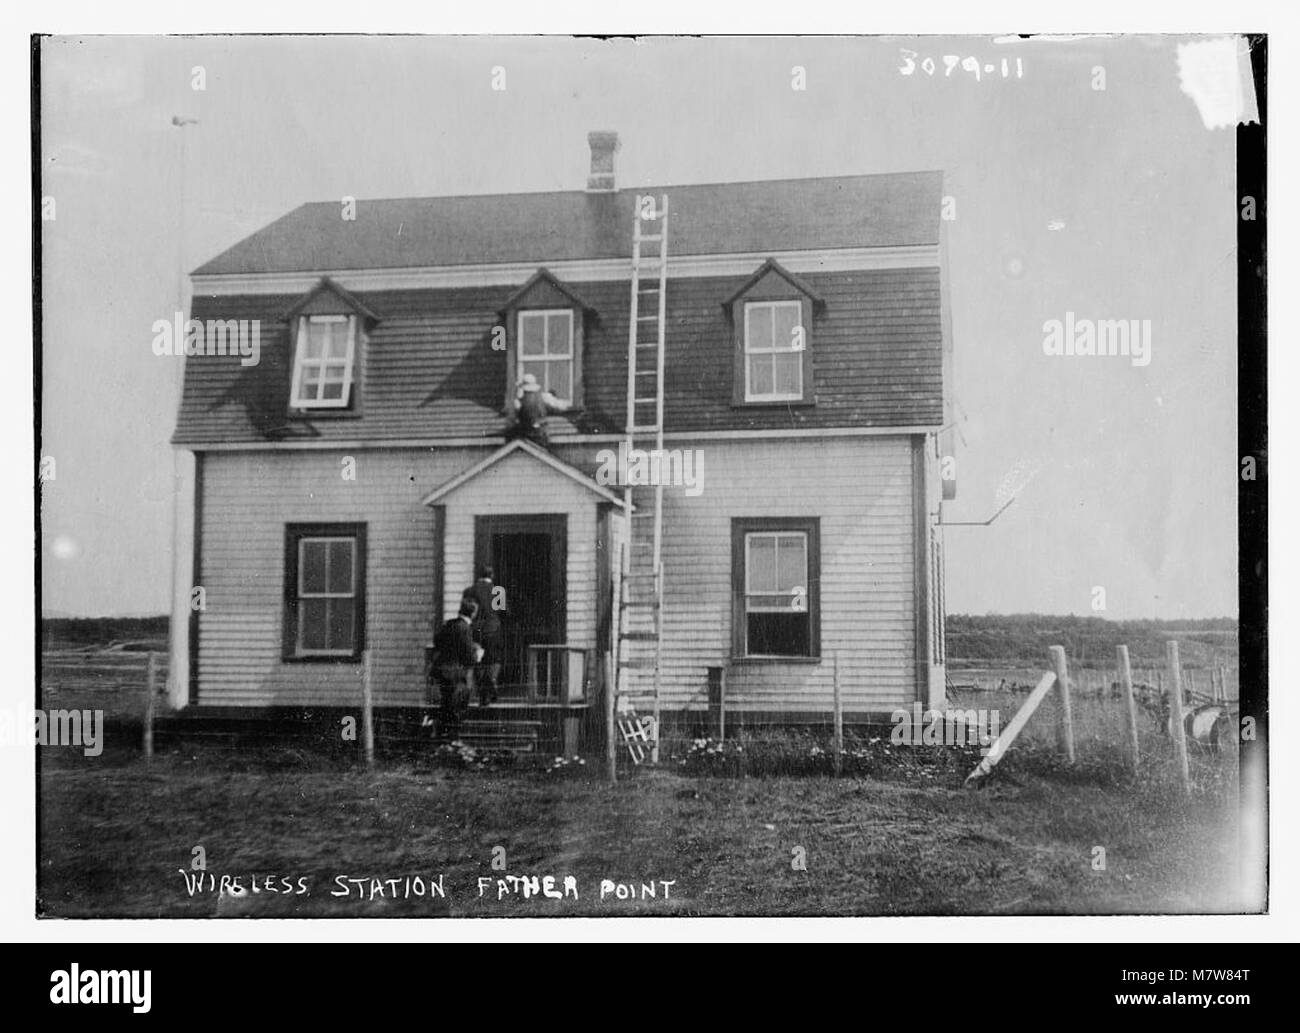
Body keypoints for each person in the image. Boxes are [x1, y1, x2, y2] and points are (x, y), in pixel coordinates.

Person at [429, 597, 483, 740]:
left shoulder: (449, 624)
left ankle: (443, 738)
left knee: (446, 705)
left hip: (443, 671)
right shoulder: (464, 628)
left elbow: (437, 641)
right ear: (473, 613)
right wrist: (477, 653)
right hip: (455, 674)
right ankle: (452, 739)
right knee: (456, 708)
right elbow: (468, 657)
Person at [461, 565, 504, 707]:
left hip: (476, 631)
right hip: (493, 630)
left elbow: (465, 610)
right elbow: (504, 613)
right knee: (494, 659)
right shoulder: (498, 591)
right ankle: (492, 680)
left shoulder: (469, 591)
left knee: (479, 660)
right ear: (492, 576)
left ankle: (482, 696)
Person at [505, 373, 579, 447]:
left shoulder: (519, 402)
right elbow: (561, 406)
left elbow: (514, 417)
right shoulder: (544, 397)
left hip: (525, 432)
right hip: (540, 432)